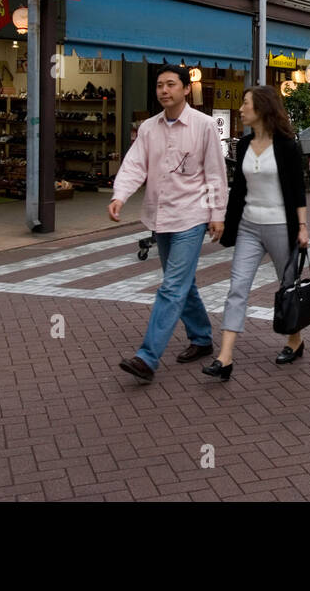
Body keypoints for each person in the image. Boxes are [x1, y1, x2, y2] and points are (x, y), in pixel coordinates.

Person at [110, 65, 227, 384]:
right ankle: (202, 338)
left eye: (171, 84)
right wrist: (120, 195)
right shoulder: (149, 128)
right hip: (160, 217)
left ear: (186, 89)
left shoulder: (203, 126)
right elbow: (135, 164)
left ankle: (147, 358)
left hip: (191, 217)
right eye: (160, 85)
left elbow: (215, 172)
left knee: (172, 286)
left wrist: (217, 213)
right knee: (182, 282)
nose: (164, 90)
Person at [204, 86, 309, 382]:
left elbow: (298, 190)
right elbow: (238, 189)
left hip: (279, 226)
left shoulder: (287, 145)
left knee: (287, 287)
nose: (240, 108)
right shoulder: (245, 143)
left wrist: (302, 227)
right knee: (237, 287)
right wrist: (224, 220)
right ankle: (224, 358)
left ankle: (294, 340)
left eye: (245, 103)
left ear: (261, 108)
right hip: (249, 226)